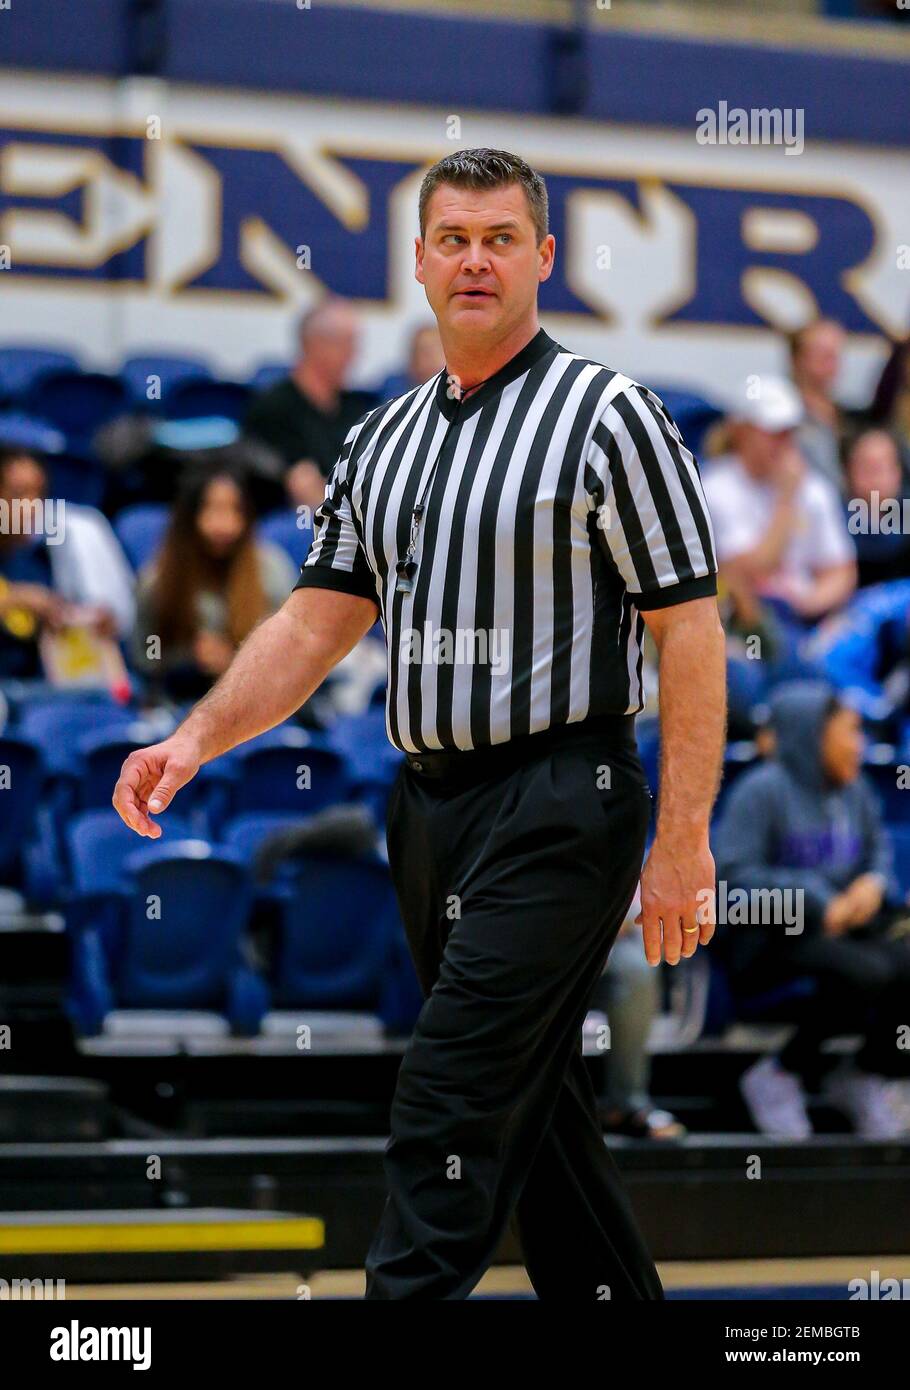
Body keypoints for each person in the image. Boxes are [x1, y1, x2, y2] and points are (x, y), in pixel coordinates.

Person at [113, 147, 726, 1301]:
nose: (476, 260)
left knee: (448, 1096)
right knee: (533, 1119)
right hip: (429, 809)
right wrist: (193, 739)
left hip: (563, 797)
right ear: (419, 261)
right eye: (454, 239)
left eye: (501, 239)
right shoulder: (378, 439)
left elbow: (689, 634)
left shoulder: (610, 417)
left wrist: (683, 838)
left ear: (542, 258)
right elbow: (309, 625)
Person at [714, 681, 910, 1140]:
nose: (858, 745)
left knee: (900, 960)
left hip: (841, 933)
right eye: (848, 732)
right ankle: (778, 1074)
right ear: (811, 734)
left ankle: (865, 1072)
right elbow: (733, 882)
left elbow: (877, 854)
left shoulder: (855, 789)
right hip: (765, 937)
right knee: (867, 972)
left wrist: (872, 885)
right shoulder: (761, 790)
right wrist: (818, 898)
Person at [132, 465, 297, 701]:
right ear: (189, 518)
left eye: (235, 510)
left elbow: (292, 656)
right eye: (212, 509)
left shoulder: (272, 571)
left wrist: (234, 662)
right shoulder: (156, 581)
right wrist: (186, 659)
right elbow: (145, 658)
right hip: (179, 702)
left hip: (261, 702)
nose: (225, 524)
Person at [0, 446, 135, 679]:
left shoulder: (42, 556)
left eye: (38, 494)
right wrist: (13, 599)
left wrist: (86, 622)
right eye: (18, 495)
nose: (32, 507)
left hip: (40, 688)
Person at [243, 297, 377, 511]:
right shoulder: (274, 409)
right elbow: (302, 487)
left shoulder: (357, 409)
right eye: (346, 343)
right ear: (314, 344)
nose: (354, 354)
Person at [787, 317, 849, 494]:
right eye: (822, 354)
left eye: (835, 354)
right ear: (797, 359)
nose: (831, 362)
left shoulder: (851, 418)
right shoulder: (784, 418)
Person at [842, 428, 910, 588]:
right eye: (869, 467)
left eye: (887, 466)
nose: (880, 477)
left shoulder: (905, 509)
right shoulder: (836, 519)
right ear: (848, 471)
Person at [375, 322, 445, 401]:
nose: (430, 359)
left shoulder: (453, 386)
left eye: (432, 352)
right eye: (419, 351)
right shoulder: (394, 384)